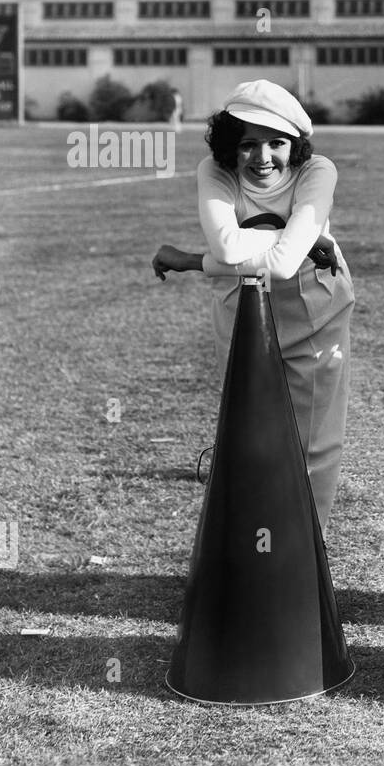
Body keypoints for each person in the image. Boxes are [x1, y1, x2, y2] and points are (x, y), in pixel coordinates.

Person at [151, 79, 354, 531]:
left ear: (295, 143)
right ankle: (255, 544)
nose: (263, 158)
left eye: (276, 143)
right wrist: (306, 238)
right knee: (249, 432)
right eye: (248, 145)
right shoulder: (214, 171)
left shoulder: (318, 170)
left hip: (316, 314)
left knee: (314, 441)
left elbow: (280, 266)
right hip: (242, 313)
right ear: (230, 146)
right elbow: (227, 246)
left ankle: (306, 549)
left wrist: (192, 260)